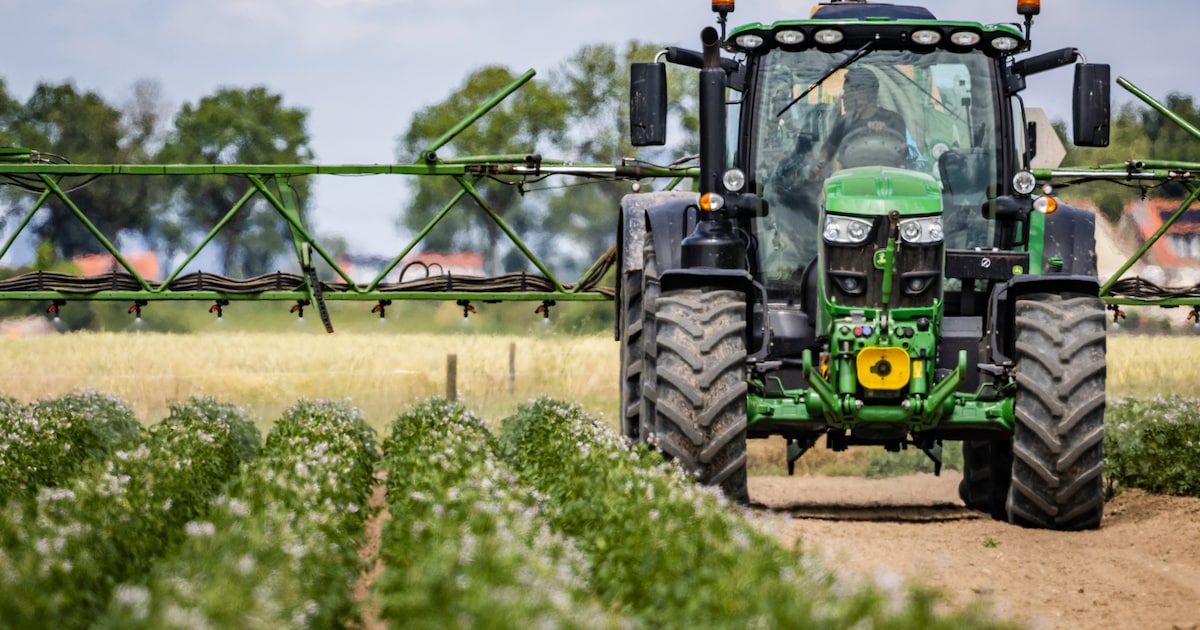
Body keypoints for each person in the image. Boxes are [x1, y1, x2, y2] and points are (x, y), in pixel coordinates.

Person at [813, 66, 908, 174]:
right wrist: (820, 164)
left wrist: (885, 133)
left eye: (848, 91)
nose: (844, 97)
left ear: (864, 95)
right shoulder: (843, 123)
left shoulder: (893, 119)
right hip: (850, 182)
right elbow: (827, 151)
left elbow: (904, 152)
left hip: (889, 180)